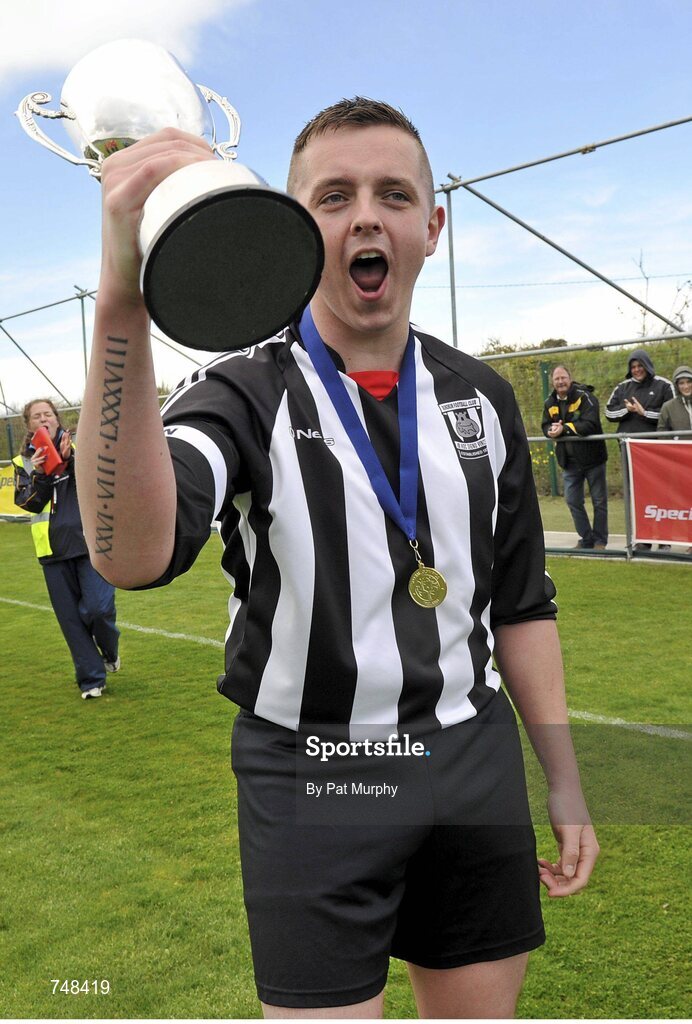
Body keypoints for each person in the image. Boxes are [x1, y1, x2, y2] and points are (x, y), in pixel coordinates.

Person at [75, 98, 598, 1019]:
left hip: (471, 758)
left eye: (394, 194)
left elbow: (521, 603)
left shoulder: (479, 395)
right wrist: (122, 303)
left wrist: (563, 779)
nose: (366, 215)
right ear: (292, 224)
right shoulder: (239, 392)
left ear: (431, 227)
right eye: (333, 197)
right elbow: (129, 552)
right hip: (314, 769)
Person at [13, 399, 120, 699]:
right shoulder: (22, 462)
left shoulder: (81, 447)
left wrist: (69, 459)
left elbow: (101, 479)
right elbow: (28, 503)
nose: (43, 418)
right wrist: (42, 474)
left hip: (90, 545)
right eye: (36, 416)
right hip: (52, 551)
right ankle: (91, 680)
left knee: (98, 609)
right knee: (71, 621)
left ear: (57, 419)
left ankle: (110, 652)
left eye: (48, 413)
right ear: (29, 425)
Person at [542, 366, 608, 550]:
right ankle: (586, 538)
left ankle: (601, 541)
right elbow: (545, 424)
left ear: (570, 379)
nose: (560, 382)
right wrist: (550, 431)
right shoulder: (549, 402)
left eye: (563, 378)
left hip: (593, 459)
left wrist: (565, 429)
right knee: (572, 500)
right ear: (552, 382)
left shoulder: (584, 397)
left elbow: (591, 423)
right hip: (569, 463)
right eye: (557, 379)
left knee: (599, 501)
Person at [605, 349, 674, 432]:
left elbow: (672, 414)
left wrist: (645, 413)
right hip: (628, 441)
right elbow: (609, 413)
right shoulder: (621, 387)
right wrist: (626, 410)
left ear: (647, 365)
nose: (637, 370)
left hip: (655, 441)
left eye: (640, 365)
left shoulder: (665, 385)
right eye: (633, 367)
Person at [657, 365, 692, 434]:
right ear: (677, 386)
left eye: (689, 382)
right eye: (681, 383)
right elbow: (662, 434)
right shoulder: (668, 407)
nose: (686, 386)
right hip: (679, 444)